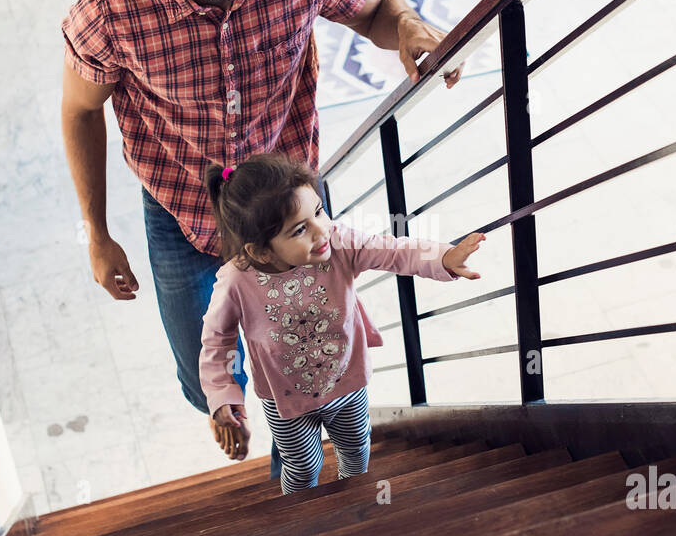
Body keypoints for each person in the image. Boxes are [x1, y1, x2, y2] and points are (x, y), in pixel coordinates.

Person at [59, 0, 464, 481]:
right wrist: (97, 232)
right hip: (184, 214)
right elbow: (81, 109)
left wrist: (409, 25)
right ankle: (263, 422)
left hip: (291, 206)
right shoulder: (109, 9)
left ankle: (307, 444)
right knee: (206, 382)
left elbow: (378, 8)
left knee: (318, 353)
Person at [198, 152, 484, 494]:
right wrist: (223, 393)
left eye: (318, 211)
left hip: (347, 381)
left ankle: (354, 501)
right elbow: (218, 341)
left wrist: (442, 257)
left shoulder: (338, 243)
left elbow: (392, 251)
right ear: (261, 252)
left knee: (356, 450)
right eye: (300, 229)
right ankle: (303, 515)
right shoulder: (235, 281)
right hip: (285, 401)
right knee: (302, 467)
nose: (322, 231)